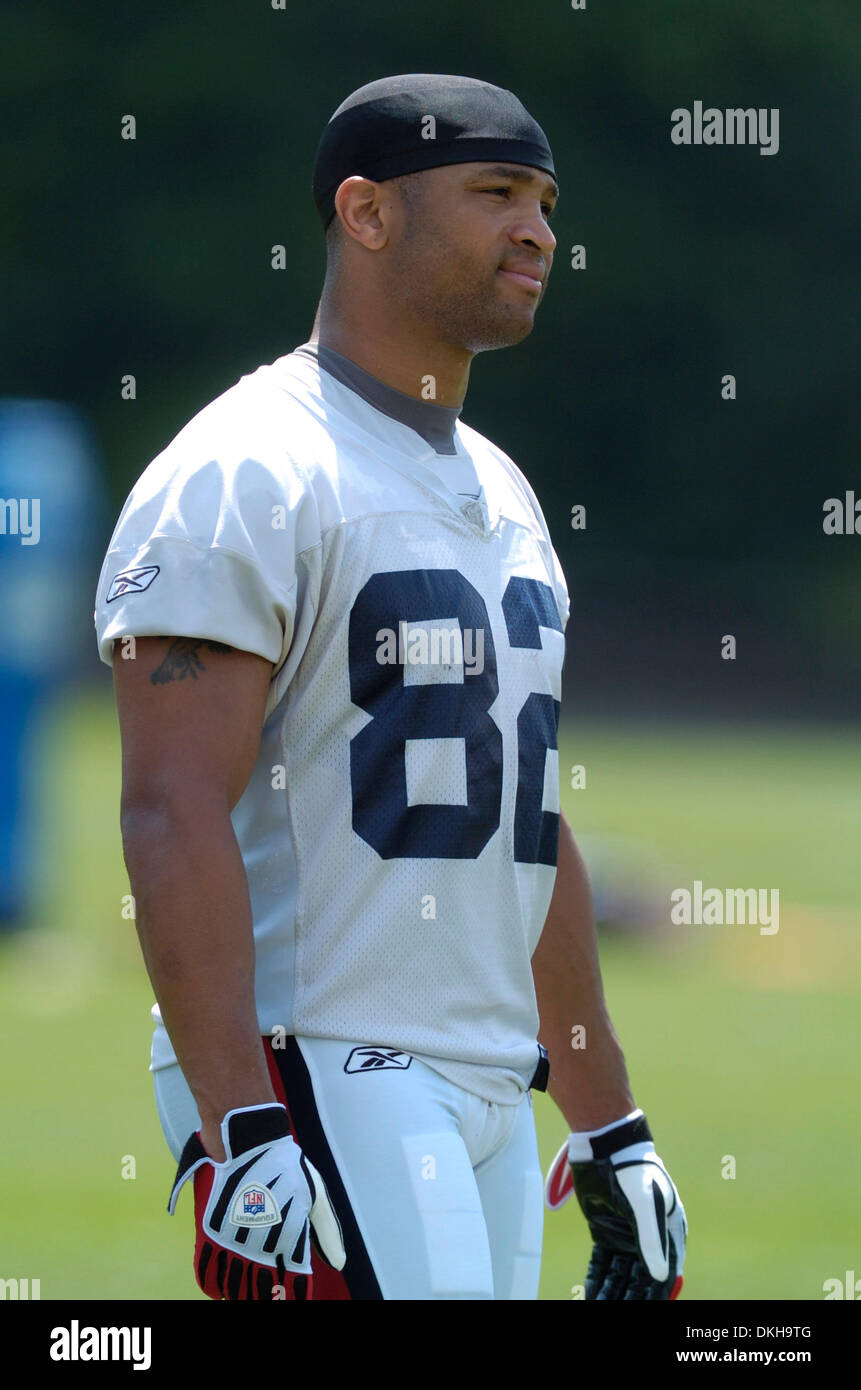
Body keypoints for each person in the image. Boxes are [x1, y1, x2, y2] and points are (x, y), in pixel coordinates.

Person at [94, 73, 686, 1301]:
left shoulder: (506, 492)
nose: (539, 231)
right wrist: (238, 1121)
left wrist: (607, 1120)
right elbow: (169, 806)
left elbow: (519, 827)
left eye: (547, 202)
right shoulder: (246, 467)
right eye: (497, 193)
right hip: (317, 1055)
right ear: (366, 214)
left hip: (484, 1074)